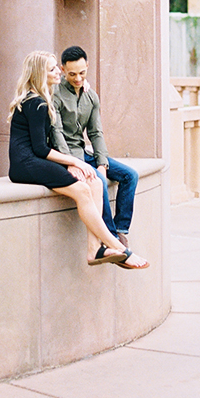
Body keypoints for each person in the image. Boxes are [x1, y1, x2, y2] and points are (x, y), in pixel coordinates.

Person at [8, 50, 149, 270]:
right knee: (83, 189)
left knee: (93, 182)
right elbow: (41, 148)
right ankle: (117, 246)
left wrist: (92, 163)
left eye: (57, 67)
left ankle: (94, 250)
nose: (59, 72)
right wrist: (76, 162)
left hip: (35, 160)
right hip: (26, 164)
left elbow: (95, 132)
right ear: (39, 73)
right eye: (53, 69)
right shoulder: (38, 104)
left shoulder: (45, 98)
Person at [52, 46, 139, 250]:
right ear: (63, 70)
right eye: (72, 74)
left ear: (87, 66)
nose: (78, 78)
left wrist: (102, 163)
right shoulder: (55, 95)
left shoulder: (91, 97)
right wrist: (71, 162)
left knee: (130, 176)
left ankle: (120, 231)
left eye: (82, 73)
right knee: (98, 180)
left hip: (85, 152)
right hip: (68, 155)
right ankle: (109, 237)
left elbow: (95, 133)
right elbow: (56, 134)